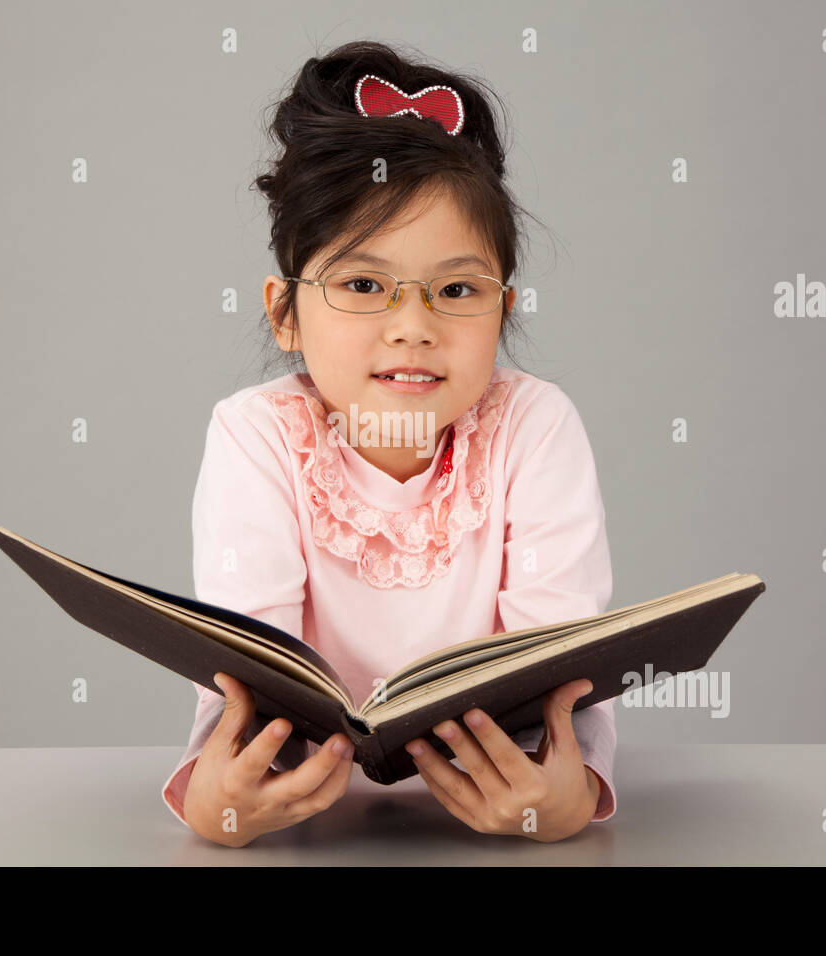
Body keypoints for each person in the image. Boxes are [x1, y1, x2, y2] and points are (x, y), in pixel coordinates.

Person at [162, 40, 616, 847]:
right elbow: (238, 658)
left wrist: (567, 793)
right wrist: (218, 797)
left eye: (457, 290)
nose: (413, 326)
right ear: (286, 313)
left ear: (503, 310)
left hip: (491, 795)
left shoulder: (534, 426)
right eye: (364, 285)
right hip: (317, 812)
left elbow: (562, 663)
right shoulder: (257, 434)